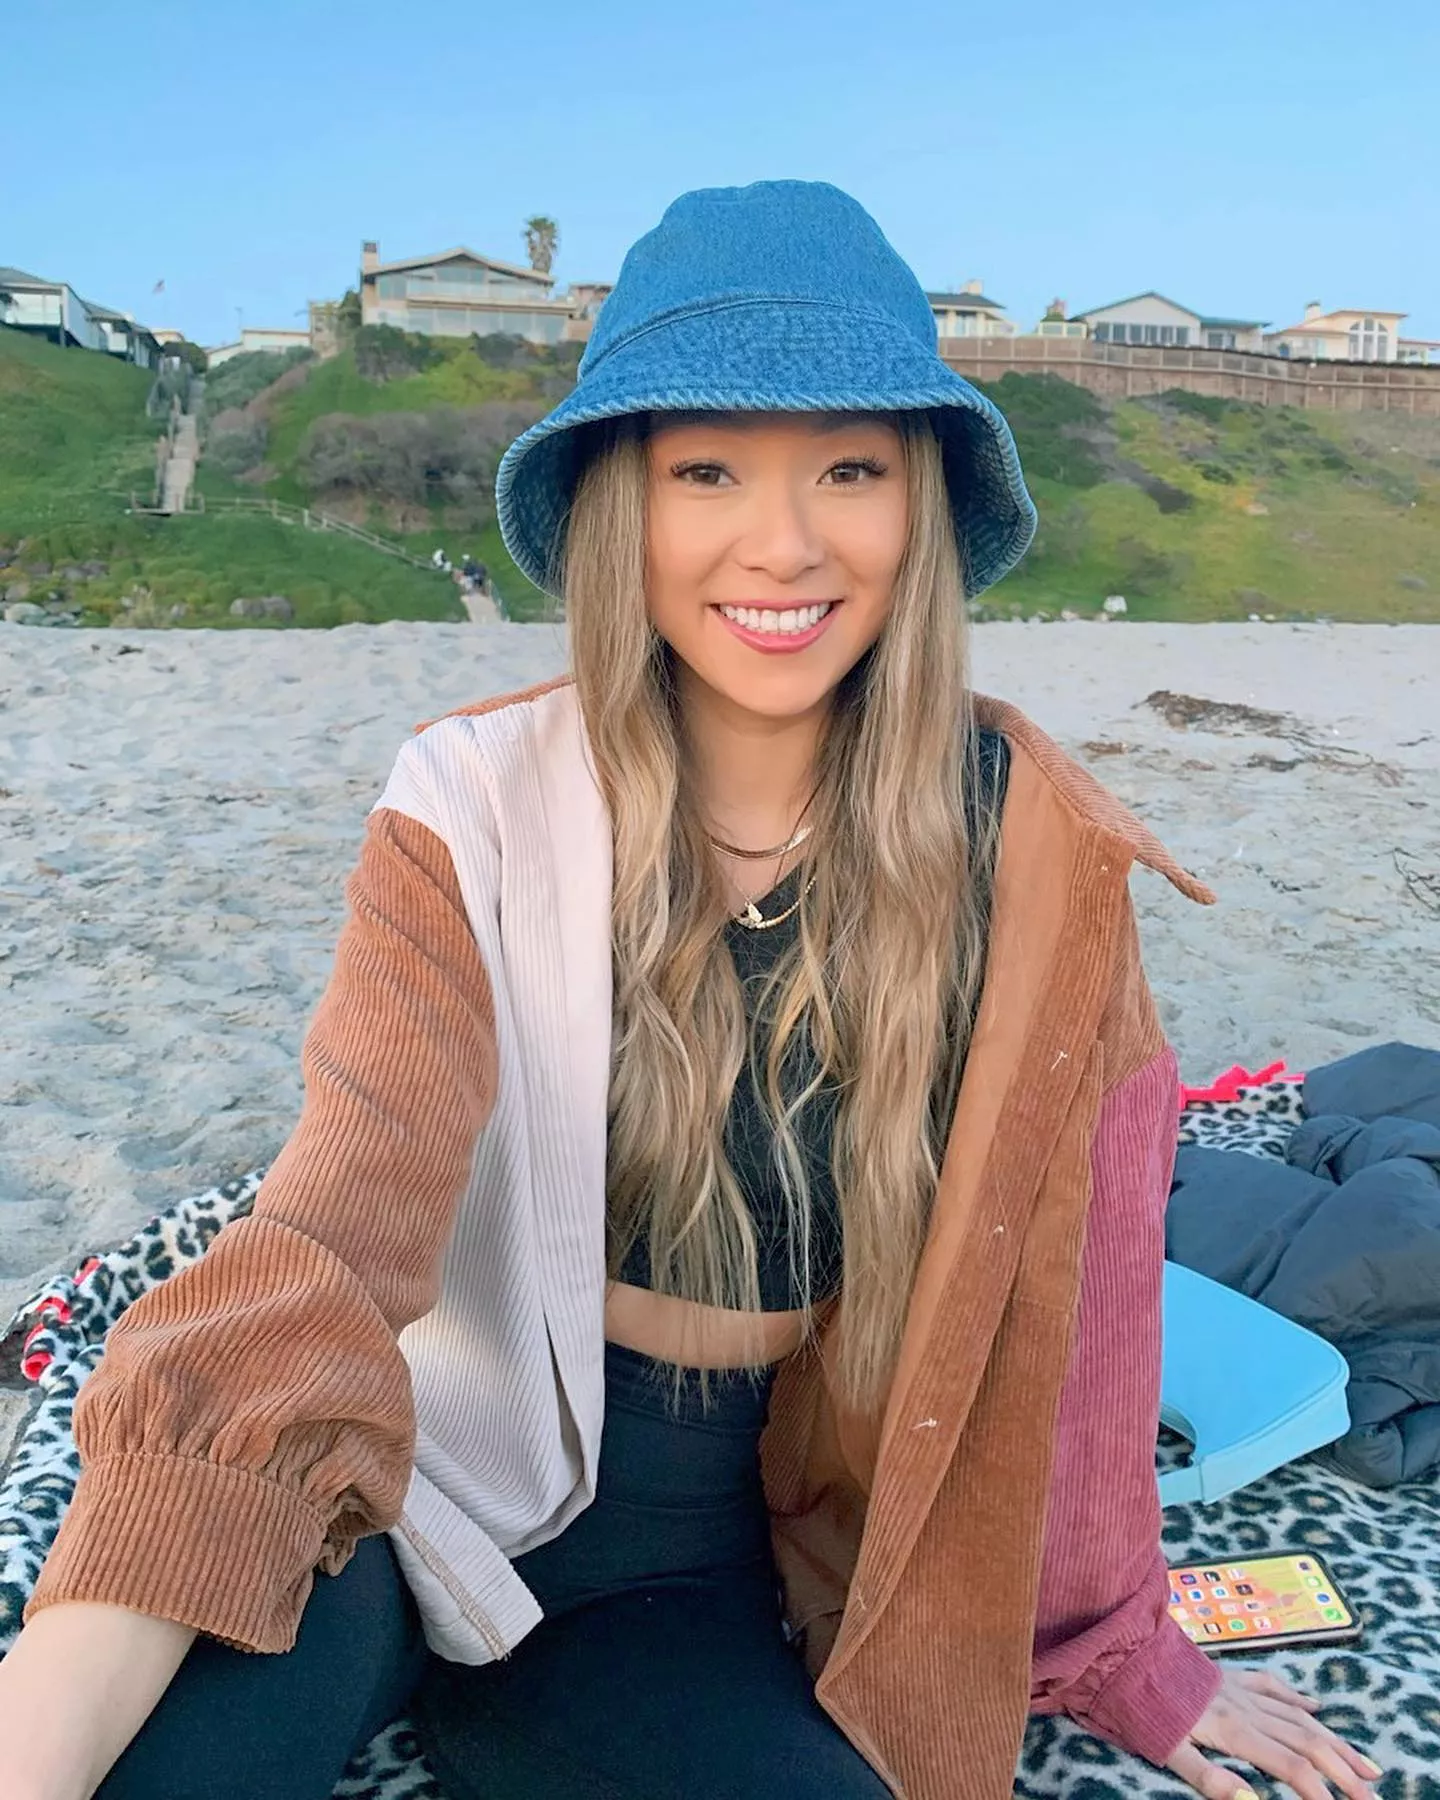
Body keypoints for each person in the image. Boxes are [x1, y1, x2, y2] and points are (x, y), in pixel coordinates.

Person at [0, 182, 1383, 1800]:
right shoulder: (467, 801)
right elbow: (330, 1230)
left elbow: (1079, 1287)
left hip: (703, 1543)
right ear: (618, 506)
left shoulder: (1032, 842)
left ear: (920, 505)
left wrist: (1118, 1648)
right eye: (706, 468)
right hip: (400, 1476)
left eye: (849, 471)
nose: (782, 542)